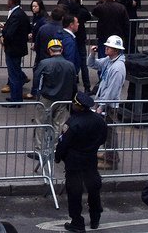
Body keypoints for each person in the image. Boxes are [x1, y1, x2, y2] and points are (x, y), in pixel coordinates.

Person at [54, 92, 107, 232]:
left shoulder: (73, 123)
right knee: (93, 188)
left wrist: (58, 156)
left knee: (75, 192)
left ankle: (77, 221)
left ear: (78, 106)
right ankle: (95, 218)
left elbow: (63, 143)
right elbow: (103, 139)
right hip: (90, 159)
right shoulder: (99, 120)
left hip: (74, 162)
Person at [87, 35, 127, 168]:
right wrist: (92, 54)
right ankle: (109, 155)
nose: (106, 48)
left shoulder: (117, 68)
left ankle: (111, 160)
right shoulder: (109, 60)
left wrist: (101, 106)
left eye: (109, 47)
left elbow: (112, 91)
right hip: (105, 102)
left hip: (110, 105)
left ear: (116, 50)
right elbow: (93, 64)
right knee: (106, 131)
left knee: (110, 133)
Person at [1, 0, 30, 104]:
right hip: (18, 48)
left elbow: (9, 33)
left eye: (8, 0)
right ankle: (16, 97)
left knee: (14, 75)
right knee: (16, 73)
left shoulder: (16, 15)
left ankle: (16, 99)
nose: (7, 2)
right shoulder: (21, 13)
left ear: (12, 1)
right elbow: (27, 28)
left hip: (13, 49)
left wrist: (4, 33)